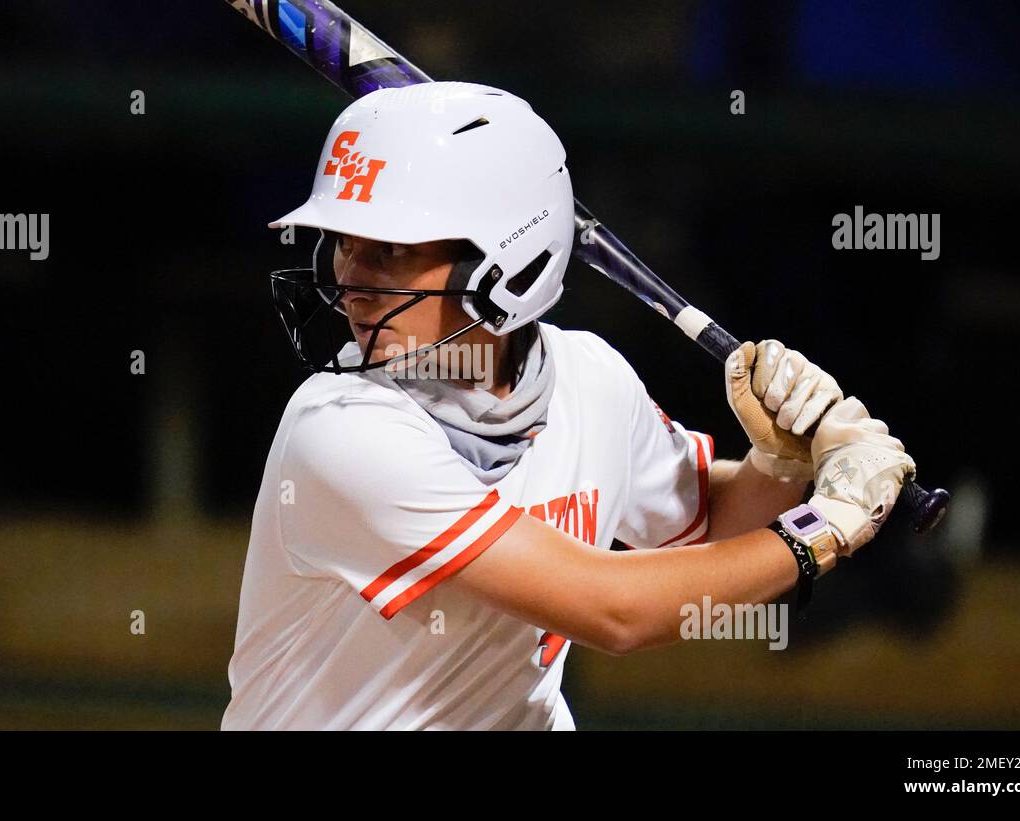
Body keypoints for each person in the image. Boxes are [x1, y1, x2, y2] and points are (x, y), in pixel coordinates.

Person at [221, 82, 914, 730]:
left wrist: (779, 464)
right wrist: (827, 527)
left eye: (392, 250)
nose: (351, 280)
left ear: (508, 262)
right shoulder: (339, 432)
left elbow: (711, 530)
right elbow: (613, 611)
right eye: (345, 243)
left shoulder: (589, 377)